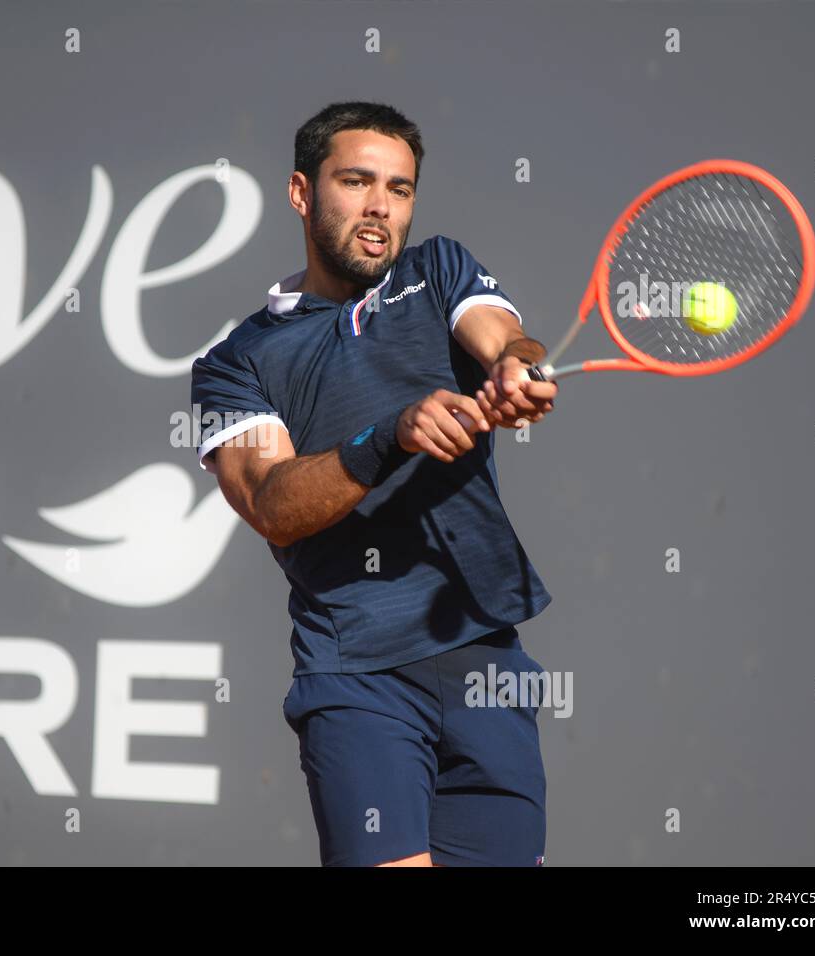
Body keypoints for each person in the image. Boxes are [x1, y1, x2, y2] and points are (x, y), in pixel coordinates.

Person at [190, 102, 559, 866]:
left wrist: (517, 364)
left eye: (398, 188)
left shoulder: (439, 271)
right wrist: (388, 437)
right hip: (357, 675)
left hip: (486, 663)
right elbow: (270, 503)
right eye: (356, 182)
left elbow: (502, 338)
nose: (379, 207)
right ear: (301, 193)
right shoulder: (236, 363)